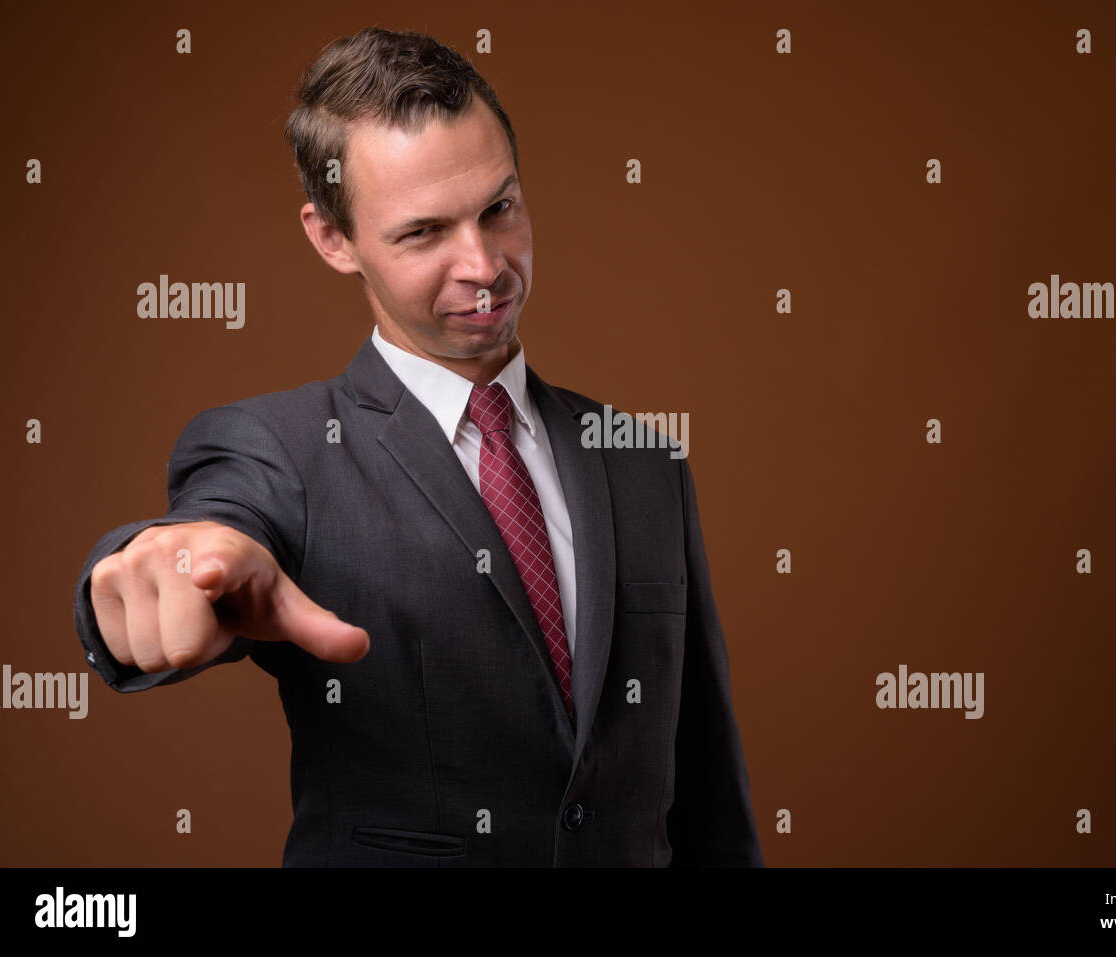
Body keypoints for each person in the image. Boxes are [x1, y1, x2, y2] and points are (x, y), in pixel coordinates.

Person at [73, 26, 763, 867]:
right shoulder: (279, 452)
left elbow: (709, 805)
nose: (483, 265)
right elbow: (211, 529)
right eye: (424, 233)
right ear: (332, 237)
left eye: (499, 208)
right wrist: (168, 566)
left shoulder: (646, 462)